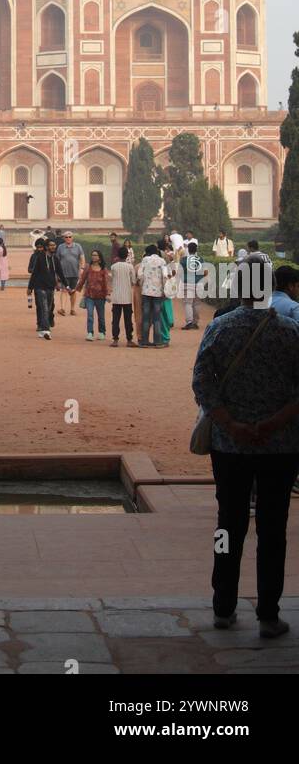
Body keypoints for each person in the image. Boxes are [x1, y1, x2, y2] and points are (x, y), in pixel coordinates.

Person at [192, 288, 299, 637]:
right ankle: (268, 614)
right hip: (279, 444)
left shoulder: (220, 327)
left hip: (230, 444)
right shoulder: (289, 330)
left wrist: (230, 423)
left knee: (228, 523)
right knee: (273, 528)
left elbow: (201, 381)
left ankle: (223, 608)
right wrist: (273, 423)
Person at [27, 238, 64, 339]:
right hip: (38, 285)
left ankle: (48, 320)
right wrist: (30, 286)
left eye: (41, 247)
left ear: (44, 247)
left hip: (50, 285)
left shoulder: (53, 258)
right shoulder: (35, 257)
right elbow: (31, 271)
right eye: (38, 247)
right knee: (41, 306)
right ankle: (43, 327)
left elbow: (58, 272)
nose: (39, 249)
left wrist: (62, 284)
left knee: (49, 307)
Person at [136, 244, 169, 348]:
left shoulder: (145, 260)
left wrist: (142, 285)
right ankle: (158, 342)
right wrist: (164, 289)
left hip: (146, 292)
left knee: (146, 317)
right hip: (158, 293)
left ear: (147, 252)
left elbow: (140, 275)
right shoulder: (162, 261)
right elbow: (165, 276)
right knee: (157, 318)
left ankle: (144, 341)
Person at [78, 249, 110, 341]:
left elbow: (106, 282)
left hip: (100, 296)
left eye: (95, 255)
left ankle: (102, 332)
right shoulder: (88, 267)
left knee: (101, 316)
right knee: (90, 315)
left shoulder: (103, 269)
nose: (93, 257)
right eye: (92, 255)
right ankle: (90, 333)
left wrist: (107, 293)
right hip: (89, 296)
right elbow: (82, 279)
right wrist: (76, 289)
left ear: (99, 257)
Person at [110, 246, 137, 346]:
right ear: (127, 255)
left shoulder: (113, 267)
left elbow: (112, 279)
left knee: (115, 320)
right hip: (127, 297)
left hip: (116, 297)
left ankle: (115, 340)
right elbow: (134, 281)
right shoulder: (130, 267)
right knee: (128, 320)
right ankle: (129, 340)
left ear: (118, 255)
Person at [56, 231, 85, 316]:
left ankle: (72, 309)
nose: (68, 238)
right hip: (64, 273)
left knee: (73, 291)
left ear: (72, 238)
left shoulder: (78, 246)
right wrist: (57, 272)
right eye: (66, 237)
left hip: (75, 272)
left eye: (70, 237)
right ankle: (62, 309)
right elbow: (57, 260)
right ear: (64, 238)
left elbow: (82, 258)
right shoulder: (60, 247)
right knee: (64, 290)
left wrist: (82, 268)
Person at [180, 241, 206, 330]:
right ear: (196, 250)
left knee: (188, 303)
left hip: (187, 283)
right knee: (197, 303)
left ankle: (189, 322)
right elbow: (205, 272)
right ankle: (195, 322)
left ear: (188, 250)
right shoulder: (201, 259)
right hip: (199, 283)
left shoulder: (184, 260)